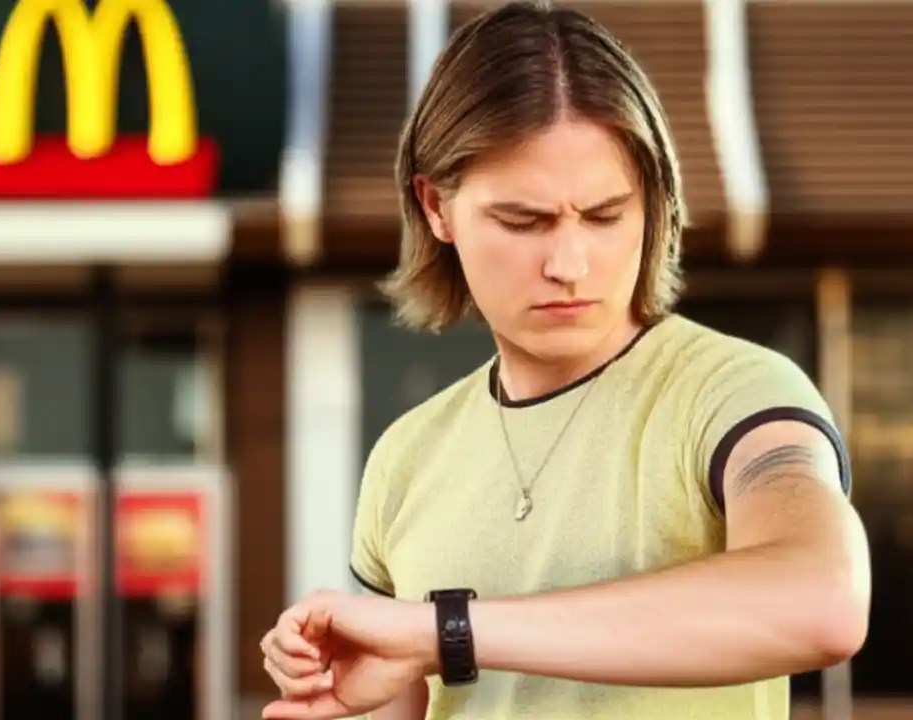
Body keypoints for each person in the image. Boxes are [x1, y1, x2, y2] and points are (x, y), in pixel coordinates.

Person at [259, 2, 871, 718]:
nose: (570, 263)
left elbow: (823, 599)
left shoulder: (736, 395)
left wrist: (449, 630)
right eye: (524, 221)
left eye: (607, 215)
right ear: (436, 208)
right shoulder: (406, 459)